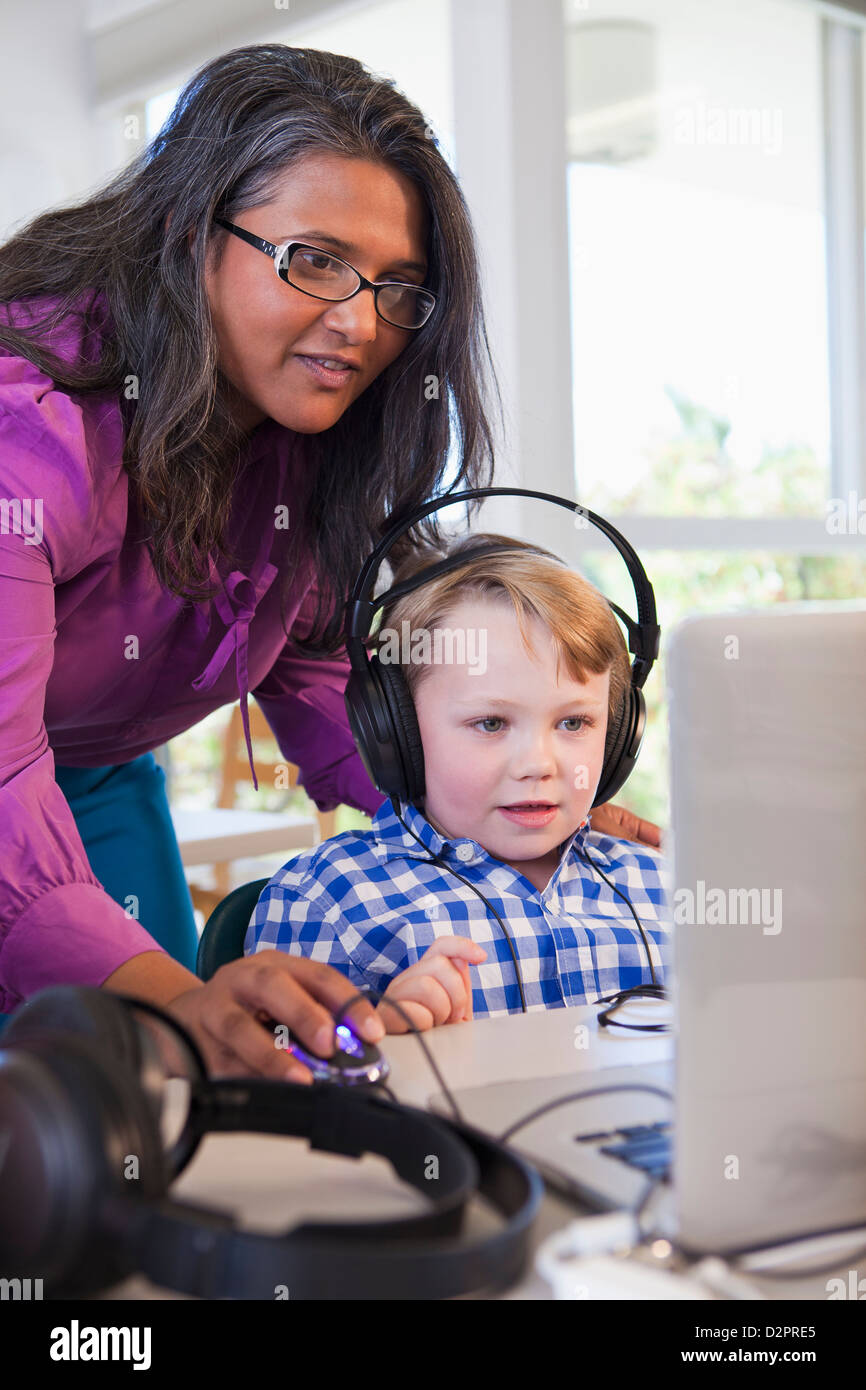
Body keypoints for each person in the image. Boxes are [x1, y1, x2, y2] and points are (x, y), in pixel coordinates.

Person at [0, 45, 657, 1074]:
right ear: (188, 230)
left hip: (96, 768)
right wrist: (175, 999)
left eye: (396, 286)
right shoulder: (27, 427)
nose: (358, 323)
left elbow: (315, 675)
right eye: (312, 259)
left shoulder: (302, 437)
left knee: (159, 1093)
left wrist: (487, 777)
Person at [245, 534, 670, 1029]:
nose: (538, 765)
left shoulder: (660, 887)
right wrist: (373, 1034)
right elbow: (276, 1082)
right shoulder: (327, 901)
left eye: (573, 723)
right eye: (491, 723)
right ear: (395, 729)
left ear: (618, 732)